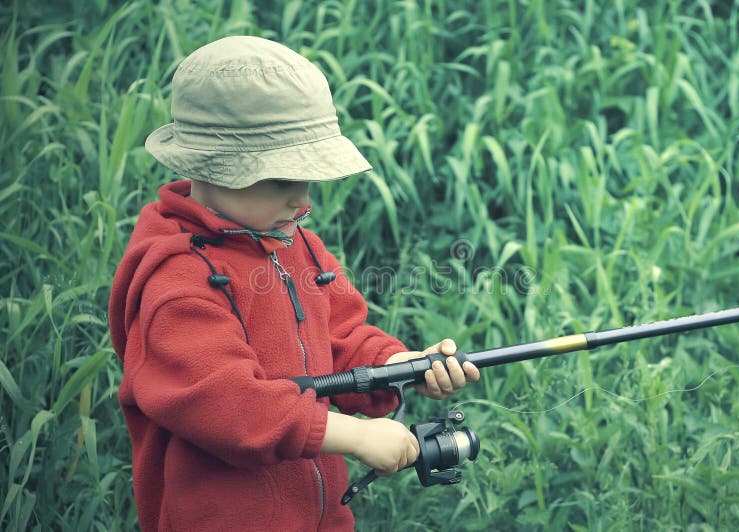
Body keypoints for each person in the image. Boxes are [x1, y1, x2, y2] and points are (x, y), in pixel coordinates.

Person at [108, 35, 480, 532]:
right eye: (281, 180)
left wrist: (398, 366)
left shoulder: (295, 243)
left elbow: (341, 338)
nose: (302, 200)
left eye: (308, 179)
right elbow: (227, 403)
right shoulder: (176, 281)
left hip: (323, 517)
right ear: (210, 168)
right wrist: (351, 435)